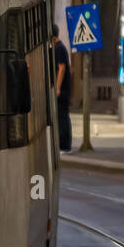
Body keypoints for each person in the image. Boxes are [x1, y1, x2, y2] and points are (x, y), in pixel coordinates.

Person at [52, 24, 72, 153]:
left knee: (62, 116)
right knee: (62, 116)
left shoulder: (59, 48)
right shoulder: (61, 47)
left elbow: (62, 68)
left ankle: (64, 145)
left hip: (62, 90)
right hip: (64, 89)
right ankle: (64, 144)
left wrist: (57, 88)